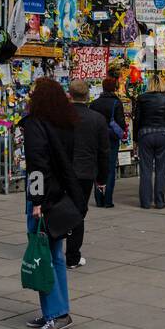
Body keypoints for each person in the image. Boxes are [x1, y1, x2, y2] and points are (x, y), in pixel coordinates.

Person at [21, 77, 82, 329]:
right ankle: (55, 311)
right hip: (59, 194)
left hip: (44, 197)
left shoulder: (36, 124)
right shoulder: (65, 123)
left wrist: (36, 200)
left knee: (43, 255)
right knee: (55, 256)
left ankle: (56, 314)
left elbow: (37, 164)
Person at [65, 79, 109, 269]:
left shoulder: (60, 117)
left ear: (69, 95)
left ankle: (57, 251)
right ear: (88, 96)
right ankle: (73, 256)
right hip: (85, 172)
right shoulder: (97, 119)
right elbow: (103, 151)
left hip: (63, 171)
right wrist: (102, 178)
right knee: (78, 213)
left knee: (60, 209)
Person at [133, 73, 165, 208]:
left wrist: (135, 138)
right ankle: (159, 201)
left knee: (145, 169)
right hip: (164, 134)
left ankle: (145, 202)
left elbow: (137, 119)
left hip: (145, 134)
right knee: (161, 169)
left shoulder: (141, 98)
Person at [89, 76, 126, 208]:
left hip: (96, 138)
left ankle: (98, 199)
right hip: (111, 139)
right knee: (109, 168)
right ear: (114, 88)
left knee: (98, 167)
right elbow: (121, 123)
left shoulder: (94, 103)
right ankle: (107, 200)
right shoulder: (117, 103)